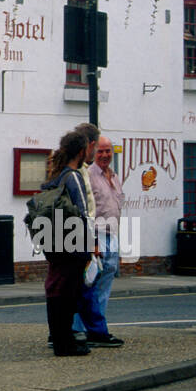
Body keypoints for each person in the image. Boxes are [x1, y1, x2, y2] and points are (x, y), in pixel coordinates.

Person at [41, 130, 95, 356]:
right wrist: (91, 245)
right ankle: (65, 344)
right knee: (69, 292)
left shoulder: (55, 176)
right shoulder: (73, 177)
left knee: (56, 289)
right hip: (73, 243)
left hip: (54, 241)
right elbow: (84, 214)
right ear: (82, 151)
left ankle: (60, 339)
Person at [74, 136, 125, 347]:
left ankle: (97, 329)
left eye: (108, 151)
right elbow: (87, 210)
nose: (105, 155)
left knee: (104, 287)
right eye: (100, 151)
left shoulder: (114, 176)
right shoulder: (89, 176)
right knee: (89, 286)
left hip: (112, 236)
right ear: (93, 153)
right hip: (96, 236)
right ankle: (79, 330)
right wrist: (92, 241)